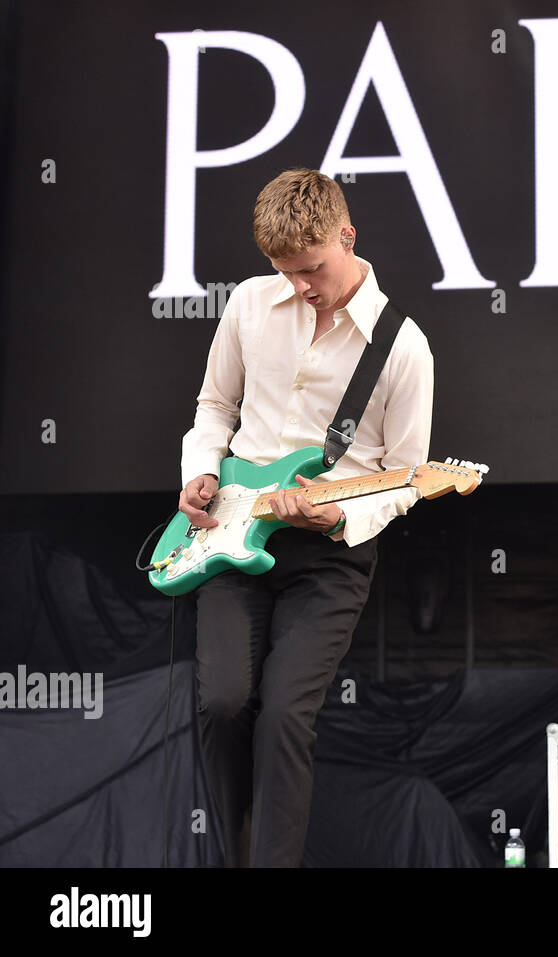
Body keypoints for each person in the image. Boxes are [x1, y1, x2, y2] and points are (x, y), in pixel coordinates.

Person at [176, 168, 434, 866]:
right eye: (286, 272)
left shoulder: (400, 347)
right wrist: (199, 469)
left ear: (347, 234)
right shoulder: (252, 306)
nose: (301, 286)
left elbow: (405, 482)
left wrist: (333, 518)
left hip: (330, 556)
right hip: (233, 534)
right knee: (225, 702)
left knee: (286, 713)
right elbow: (214, 407)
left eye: (312, 268)